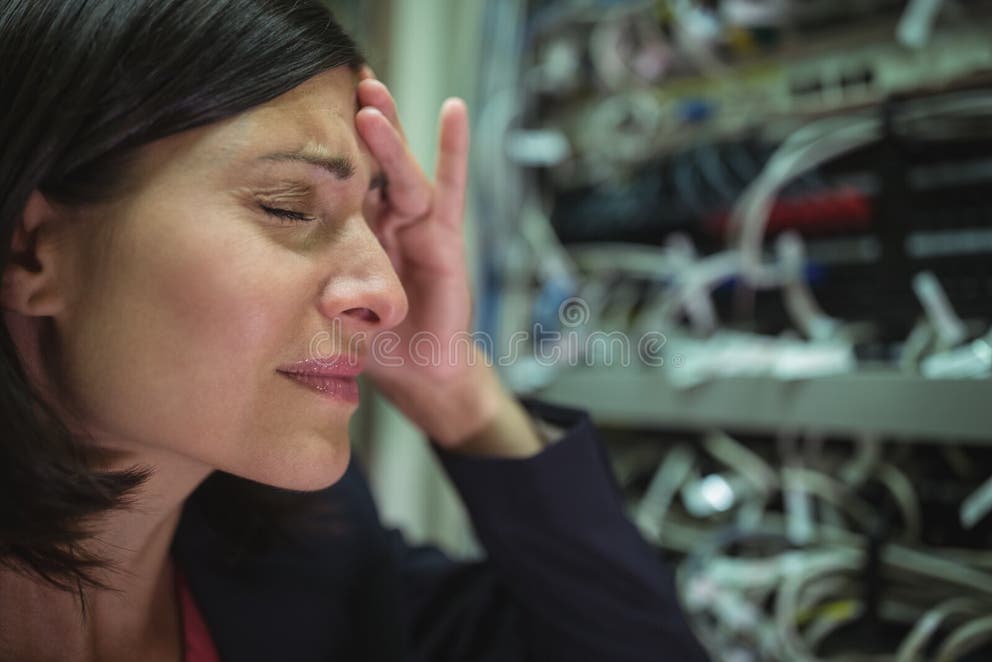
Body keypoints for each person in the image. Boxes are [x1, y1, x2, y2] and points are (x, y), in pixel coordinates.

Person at [0, 1, 709, 660]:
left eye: (372, 217)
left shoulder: (312, 554)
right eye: (287, 206)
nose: (389, 295)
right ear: (31, 250)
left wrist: (458, 394)